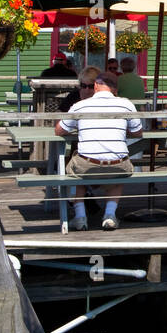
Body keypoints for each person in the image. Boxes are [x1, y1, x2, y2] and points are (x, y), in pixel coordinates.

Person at [55, 72, 142, 231]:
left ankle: (80, 217)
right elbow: (138, 132)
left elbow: (59, 130)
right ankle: (109, 215)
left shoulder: (80, 105)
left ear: (95, 86)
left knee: (75, 170)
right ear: (115, 89)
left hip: (87, 165)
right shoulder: (126, 104)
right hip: (117, 165)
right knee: (119, 169)